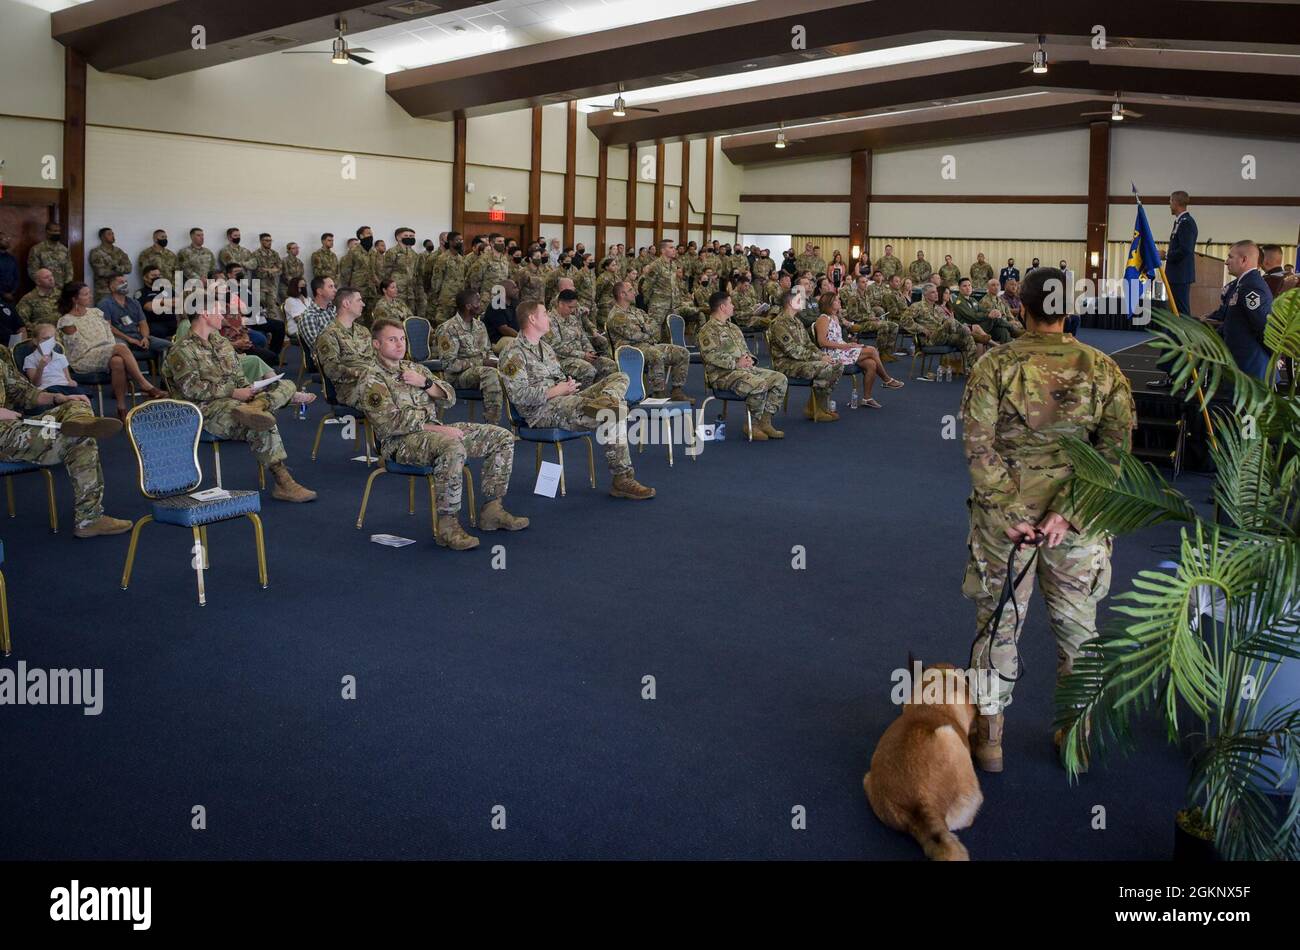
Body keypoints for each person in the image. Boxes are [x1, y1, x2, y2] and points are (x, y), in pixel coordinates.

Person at [962, 265, 1135, 773]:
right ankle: (1074, 735)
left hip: (1004, 526)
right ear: (1071, 310)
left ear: (1022, 308)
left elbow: (977, 445)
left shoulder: (994, 365)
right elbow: (1116, 452)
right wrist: (1070, 513)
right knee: (1079, 629)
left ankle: (990, 739)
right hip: (1076, 529)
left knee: (998, 625)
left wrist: (1013, 512)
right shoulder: (1104, 369)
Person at [360, 318, 527, 550]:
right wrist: (439, 429)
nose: (400, 345)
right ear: (376, 344)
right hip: (399, 443)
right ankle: (447, 527)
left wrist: (426, 383)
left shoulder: (415, 369)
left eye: (402, 339)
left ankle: (492, 509)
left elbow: (449, 396)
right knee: (452, 447)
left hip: (434, 432)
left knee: (501, 437)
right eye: (391, 340)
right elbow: (390, 423)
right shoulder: (371, 378)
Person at [499, 298, 655, 498]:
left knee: (620, 376)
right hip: (540, 411)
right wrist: (557, 390)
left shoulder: (545, 348)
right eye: (545, 313)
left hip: (564, 399)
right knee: (615, 412)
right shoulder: (513, 354)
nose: (549, 317)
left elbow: (558, 378)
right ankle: (622, 478)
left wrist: (568, 386)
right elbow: (519, 396)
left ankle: (606, 399)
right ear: (532, 319)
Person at [164, 298, 317, 502]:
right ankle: (284, 482)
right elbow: (191, 389)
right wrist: (235, 392)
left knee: (285, 385)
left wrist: (248, 390)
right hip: (205, 411)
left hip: (238, 403)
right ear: (204, 313)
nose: (223, 317)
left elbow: (238, 377)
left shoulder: (221, 343)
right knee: (259, 422)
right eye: (218, 312)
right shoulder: (182, 350)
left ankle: (256, 406)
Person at [0, 350, 133, 537]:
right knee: (81, 439)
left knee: (76, 405)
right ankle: (89, 519)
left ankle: (80, 421)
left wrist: (59, 398)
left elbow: (27, 394)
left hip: (13, 426)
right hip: (4, 435)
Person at [57, 282, 165, 420]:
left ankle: (121, 408)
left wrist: (108, 349)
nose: (90, 296)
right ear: (74, 299)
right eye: (85, 294)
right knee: (120, 348)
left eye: (89, 293)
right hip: (83, 358)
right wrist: (107, 349)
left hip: (105, 352)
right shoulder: (66, 321)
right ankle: (144, 384)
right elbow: (78, 348)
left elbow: (109, 334)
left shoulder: (95, 312)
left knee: (117, 361)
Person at [697, 291, 786, 440]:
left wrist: (750, 359)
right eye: (730, 303)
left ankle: (765, 421)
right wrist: (736, 363)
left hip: (744, 370)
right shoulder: (707, 330)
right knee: (760, 384)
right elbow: (710, 356)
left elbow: (745, 350)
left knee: (780, 379)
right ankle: (752, 424)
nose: (733, 306)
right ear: (722, 307)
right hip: (722, 375)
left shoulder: (733, 328)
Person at [813, 292, 903, 409]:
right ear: (828, 303)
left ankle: (867, 398)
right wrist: (844, 346)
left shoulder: (835, 317)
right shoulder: (823, 319)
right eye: (836, 300)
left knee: (871, 364)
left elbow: (837, 339)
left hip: (841, 349)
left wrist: (849, 344)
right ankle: (887, 379)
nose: (839, 302)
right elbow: (822, 342)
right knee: (871, 350)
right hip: (832, 354)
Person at [606, 280, 691, 402]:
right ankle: (658, 393)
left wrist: (646, 331)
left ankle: (677, 391)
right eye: (630, 290)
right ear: (622, 295)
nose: (634, 292)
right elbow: (635, 335)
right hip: (631, 350)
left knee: (682, 352)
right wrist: (647, 331)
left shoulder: (635, 310)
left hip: (647, 345)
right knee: (655, 354)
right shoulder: (616, 316)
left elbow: (654, 326)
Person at [1200, 240, 1272, 380]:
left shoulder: (1252, 287)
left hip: (1251, 368)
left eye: (1230, 257)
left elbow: (1263, 325)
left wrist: (1274, 356)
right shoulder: (1242, 284)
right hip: (1240, 363)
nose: (1226, 262)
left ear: (1244, 260)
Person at [435, 289, 503, 424]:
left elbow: (488, 351)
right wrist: (480, 362)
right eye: (477, 301)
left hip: (478, 371)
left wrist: (497, 362)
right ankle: (493, 421)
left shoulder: (480, 325)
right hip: (458, 377)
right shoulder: (449, 328)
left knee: (504, 368)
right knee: (489, 373)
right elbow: (448, 364)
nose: (481, 304)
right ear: (468, 306)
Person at [312, 287, 375, 408]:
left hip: (374, 380)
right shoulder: (329, 335)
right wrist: (359, 373)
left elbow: (376, 358)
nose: (363, 304)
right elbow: (331, 369)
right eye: (359, 300)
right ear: (346, 304)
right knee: (391, 400)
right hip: (351, 388)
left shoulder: (363, 331)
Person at [100, 275, 171, 361]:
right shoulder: (105, 303)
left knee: (170, 346)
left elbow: (143, 323)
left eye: (126, 282)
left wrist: (145, 337)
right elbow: (108, 327)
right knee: (122, 348)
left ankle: (163, 372)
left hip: (138, 336)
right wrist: (129, 339)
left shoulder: (134, 303)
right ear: (112, 287)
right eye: (121, 282)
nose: (125, 284)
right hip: (120, 338)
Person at [22, 323, 92, 398]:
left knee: (83, 394)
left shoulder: (60, 357)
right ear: (35, 341)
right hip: (47, 390)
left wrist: (72, 382)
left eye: (52, 339)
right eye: (45, 339)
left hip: (64, 387)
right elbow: (35, 384)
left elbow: (68, 379)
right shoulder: (30, 359)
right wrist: (40, 367)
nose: (49, 342)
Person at [1165, 190, 1198, 316]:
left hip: (1180, 275)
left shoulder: (1187, 222)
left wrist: (1167, 255)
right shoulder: (1179, 221)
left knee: (1181, 310)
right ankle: (1173, 334)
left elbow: (1186, 249)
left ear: (1176, 202)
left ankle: (1183, 335)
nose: (1169, 205)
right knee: (1175, 310)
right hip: (1176, 274)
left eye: (1170, 201)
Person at [953, 277, 1015, 342]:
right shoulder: (959, 302)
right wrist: (988, 315)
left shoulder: (973, 300)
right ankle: (1012, 328)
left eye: (969, 285)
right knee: (994, 319)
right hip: (972, 328)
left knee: (1002, 330)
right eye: (964, 286)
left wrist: (992, 312)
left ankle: (1007, 350)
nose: (968, 288)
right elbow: (973, 316)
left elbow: (983, 310)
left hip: (983, 325)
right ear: (959, 289)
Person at [340, 226, 380, 317]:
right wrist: (348, 289)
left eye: (372, 234)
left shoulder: (373, 252)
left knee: (372, 315)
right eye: (368, 234)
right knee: (358, 315)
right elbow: (346, 271)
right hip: (358, 289)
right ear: (361, 236)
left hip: (371, 289)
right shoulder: (354, 251)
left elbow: (376, 270)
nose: (371, 236)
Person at [296, 276, 337, 355]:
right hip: (332, 359)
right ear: (320, 291)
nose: (335, 290)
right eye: (330, 287)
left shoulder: (333, 309)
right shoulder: (309, 317)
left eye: (334, 286)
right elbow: (320, 348)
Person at [89, 227, 131, 301]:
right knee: (103, 312)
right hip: (104, 291)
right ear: (102, 237)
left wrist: (116, 268)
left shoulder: (119, 251)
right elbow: (100, 272)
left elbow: (129, 269)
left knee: (120, 311)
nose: (112, 236)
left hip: (120, 289)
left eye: (112, 234)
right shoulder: (96, 252)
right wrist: (120, 270)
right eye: (109, 234)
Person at [136, 264, 178, 339]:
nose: (157, 278)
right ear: (145, 277)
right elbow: (148, 307)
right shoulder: (141, 292)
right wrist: (168, 302)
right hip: (155, 324)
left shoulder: (166, 289)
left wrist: (158, 303)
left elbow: (178, 301)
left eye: (158, 275)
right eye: (153, 275)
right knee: (158, 331)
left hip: (172, 322)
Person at [27, 222, 72, 290]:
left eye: (59, 231)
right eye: (54, 231)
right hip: (44, 289)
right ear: (47, 232)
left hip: (61, 289)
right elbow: (33, 271)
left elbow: (69, 269)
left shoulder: (64, 250)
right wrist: (44, 284)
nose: (57, 233)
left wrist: (67, 284)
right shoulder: (37, 249)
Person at [17, 268, 61, 333]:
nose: (51, 279)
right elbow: (21, 321)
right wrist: (39, 329)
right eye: (46, 277)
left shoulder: (61, 294)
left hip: (61, 331)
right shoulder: (29, 298)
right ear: (38, 282)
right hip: (42, 335)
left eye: (51, 275)